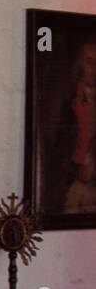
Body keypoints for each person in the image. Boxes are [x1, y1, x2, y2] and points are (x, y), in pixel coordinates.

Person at [53, 37, 96, 215]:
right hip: (74, 183)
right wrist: (76, 169)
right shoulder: (69, 101)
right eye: (89, 61)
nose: (94, 68)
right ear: (80, 64)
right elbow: (57, 148)